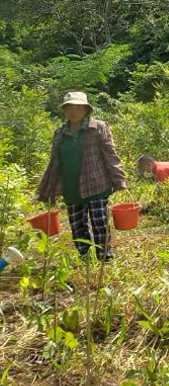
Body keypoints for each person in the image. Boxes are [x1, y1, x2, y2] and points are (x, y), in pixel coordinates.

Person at [36, 92, 127, 262]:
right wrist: (45, 191)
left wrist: (119, 179)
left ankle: (104, 257)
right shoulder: (60, 133)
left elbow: (110, 155)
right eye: (69, 108)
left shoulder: (98, 128)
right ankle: (85, 257)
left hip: (96, 184)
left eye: (77, 108)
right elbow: (54, 163)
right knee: (77, 227)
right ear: (64, 110)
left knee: (100, 223)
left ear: (86, 110)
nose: (73, 111)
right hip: (71, 189)